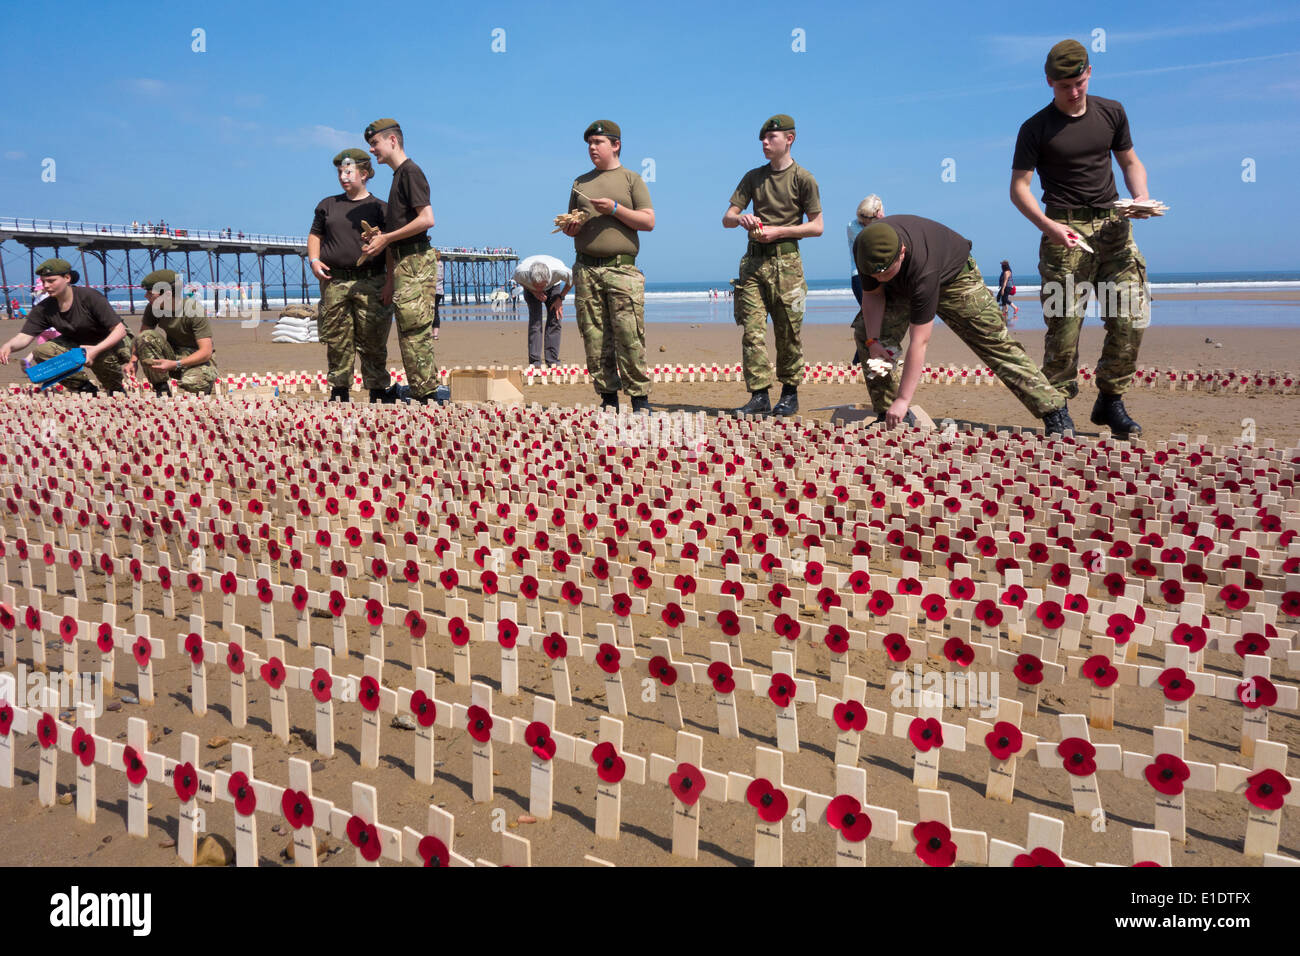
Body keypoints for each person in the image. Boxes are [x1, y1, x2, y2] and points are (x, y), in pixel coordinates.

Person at [1011, 38, 1150, 438]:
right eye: (1063, 86)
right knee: (1065, 325)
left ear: (1089, 73)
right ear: (1049, 83)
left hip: (1114, 227)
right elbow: (1019, 187)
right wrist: (1048, 226)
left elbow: (1130, 161)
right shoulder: (1035, 128)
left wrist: (1139, 197)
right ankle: (1057, 407)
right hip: (1062, 231)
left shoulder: (1112, 112)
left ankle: (1110, 400)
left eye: (1078, 82)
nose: (1073, 92)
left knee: (1130, 317)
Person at [856, 216, 1073, 435]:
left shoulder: (923, 268)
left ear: (902, 252)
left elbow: (919, 341)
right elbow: (873, 295)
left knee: (994, 343)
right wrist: (873, 341)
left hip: (955, 279)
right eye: (876, 274)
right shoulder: (865, 250)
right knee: (867, 333)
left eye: (886, 272)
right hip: (903, 286)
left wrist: (904, 399)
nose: (880, 278)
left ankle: (1054, 411)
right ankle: (890, 415)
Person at [723, 114, 823, 417]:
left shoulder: (803, 178)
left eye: (771, 138)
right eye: (762, 140)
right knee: (752, 330)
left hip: (787, 262)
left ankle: (790, 394)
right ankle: (759, 395)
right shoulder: (753, 177)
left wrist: (780, 231)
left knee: (787, 331)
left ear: (789, 139)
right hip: (753, 262)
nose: (765, 144)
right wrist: (742, 218)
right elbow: (727, 217)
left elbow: (817, 226)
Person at [563, 120, 655, 413]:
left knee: (629, 335)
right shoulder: (580, 183)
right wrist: (571, 227)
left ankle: (640, 401)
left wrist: (615, 209)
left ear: (615, 145)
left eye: (598, 142)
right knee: (594, 337)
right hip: (586, 269)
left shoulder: (631, 179)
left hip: (621, 270)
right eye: (589, 143)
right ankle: (608, 400)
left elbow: (648, 221)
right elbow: (571, 223)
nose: (592, 147)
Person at [308, 147, 402, 404]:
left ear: (364, 174)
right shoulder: (327, 205)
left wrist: (390, 283)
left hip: (371, 280)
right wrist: (314, 260)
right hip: (334, 281)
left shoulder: (380, 208)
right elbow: (315, 235)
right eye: (340, 172)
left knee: (373, 338)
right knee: (337, 339)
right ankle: (339, 390)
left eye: (348, 172)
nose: (343, 176)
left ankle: (378, 391)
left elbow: (391, 248)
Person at [362, 118, 445, 405]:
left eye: (375, 143)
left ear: (392, 141)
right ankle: (425, 393)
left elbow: (427, 219)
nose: (372, 150)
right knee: (410, 333)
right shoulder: (399, 176)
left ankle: (427, 396)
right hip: (403, 262)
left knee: (415, 332)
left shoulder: (410, 172)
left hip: (414, 260)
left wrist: (386, 238)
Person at [0, 258, 133, 394]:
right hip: (78, 342)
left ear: (67, 278)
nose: (46, 285)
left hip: (110, 342)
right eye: (43, 281)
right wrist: (9, 346)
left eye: (51, 281)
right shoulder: (44, 308)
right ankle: (83, 387)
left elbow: (119, 330)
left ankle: (116, 388)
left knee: (112, 385)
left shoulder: (89, 297)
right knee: (42, 352)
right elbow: (24, 336)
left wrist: (95, 350)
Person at [128, 269, 219, 396]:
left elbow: (206, 352)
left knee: (194, 384)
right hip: (172, 355)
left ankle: (202, 383)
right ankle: (161, 387)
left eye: (150, 293)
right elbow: (141, 337)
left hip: (197, 360)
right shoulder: (153, 307)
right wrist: (133, 360)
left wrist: (175, 364)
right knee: (145, 337)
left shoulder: (193, 310)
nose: (146, 296)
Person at [513, 254, 573, 367]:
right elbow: (519, 281)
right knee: (535, 322)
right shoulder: (521, 272)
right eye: (537, 285)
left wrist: (561, 297)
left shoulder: (559, 270)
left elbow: (572, 280)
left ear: (548, 279)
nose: (540, 289)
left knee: (555, 319)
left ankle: (552, 361)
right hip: (530, 289)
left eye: (542, 286)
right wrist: (534, 291)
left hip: (553, 287)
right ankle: (535, 362)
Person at [848, 194, 885, 365]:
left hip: (880, 276)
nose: (863, 221)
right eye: (862, 217)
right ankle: (859, 360)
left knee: (878, 317)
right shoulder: (853, 226)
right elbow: (871, 243)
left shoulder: (882, 224)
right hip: (860, 277)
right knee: (869, 317)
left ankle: (864, 359)